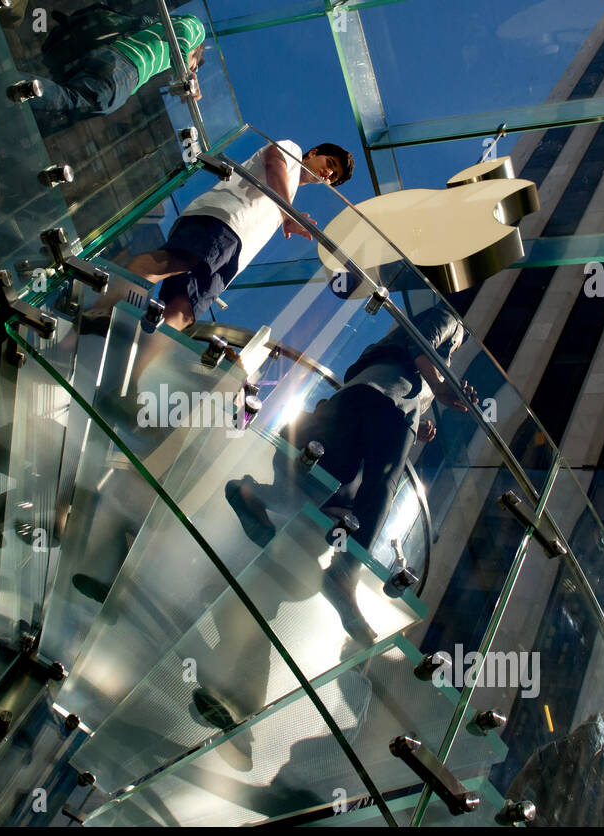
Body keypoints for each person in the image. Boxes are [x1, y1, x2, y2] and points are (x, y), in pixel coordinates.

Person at [225, 304, 476, 643]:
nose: (458, 346)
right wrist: (442, 387)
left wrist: (420, 423)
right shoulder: (452, 321)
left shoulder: (401, 355)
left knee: (321, 483)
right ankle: (343, 574)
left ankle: (251, 493)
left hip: (364, 394)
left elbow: (405, 373)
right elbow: (421, 347)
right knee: (381, 486)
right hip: (388, 401)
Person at [85, 140, 354, 336]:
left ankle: (136, 361)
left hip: (235, 253)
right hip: (224, 219)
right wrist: (288, 214)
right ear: (315, 153)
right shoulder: (293, 151)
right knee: (176, 260)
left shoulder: (290, 194)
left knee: (185, 309)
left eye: (334, 177)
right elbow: (274, 160)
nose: (328, 173)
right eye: (329, 164)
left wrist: (287, 213)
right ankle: (101, 309)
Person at [27, 7, 207, 135]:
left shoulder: (164, 33)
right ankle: (9, 88)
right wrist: (185, 76)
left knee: (66, 105)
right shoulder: (197, 30)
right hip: (124, 70)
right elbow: (184, 33)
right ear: (197, 50)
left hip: (113, 60)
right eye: (194, 66)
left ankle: (19, 96)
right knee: (68, 99)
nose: (189, 68)